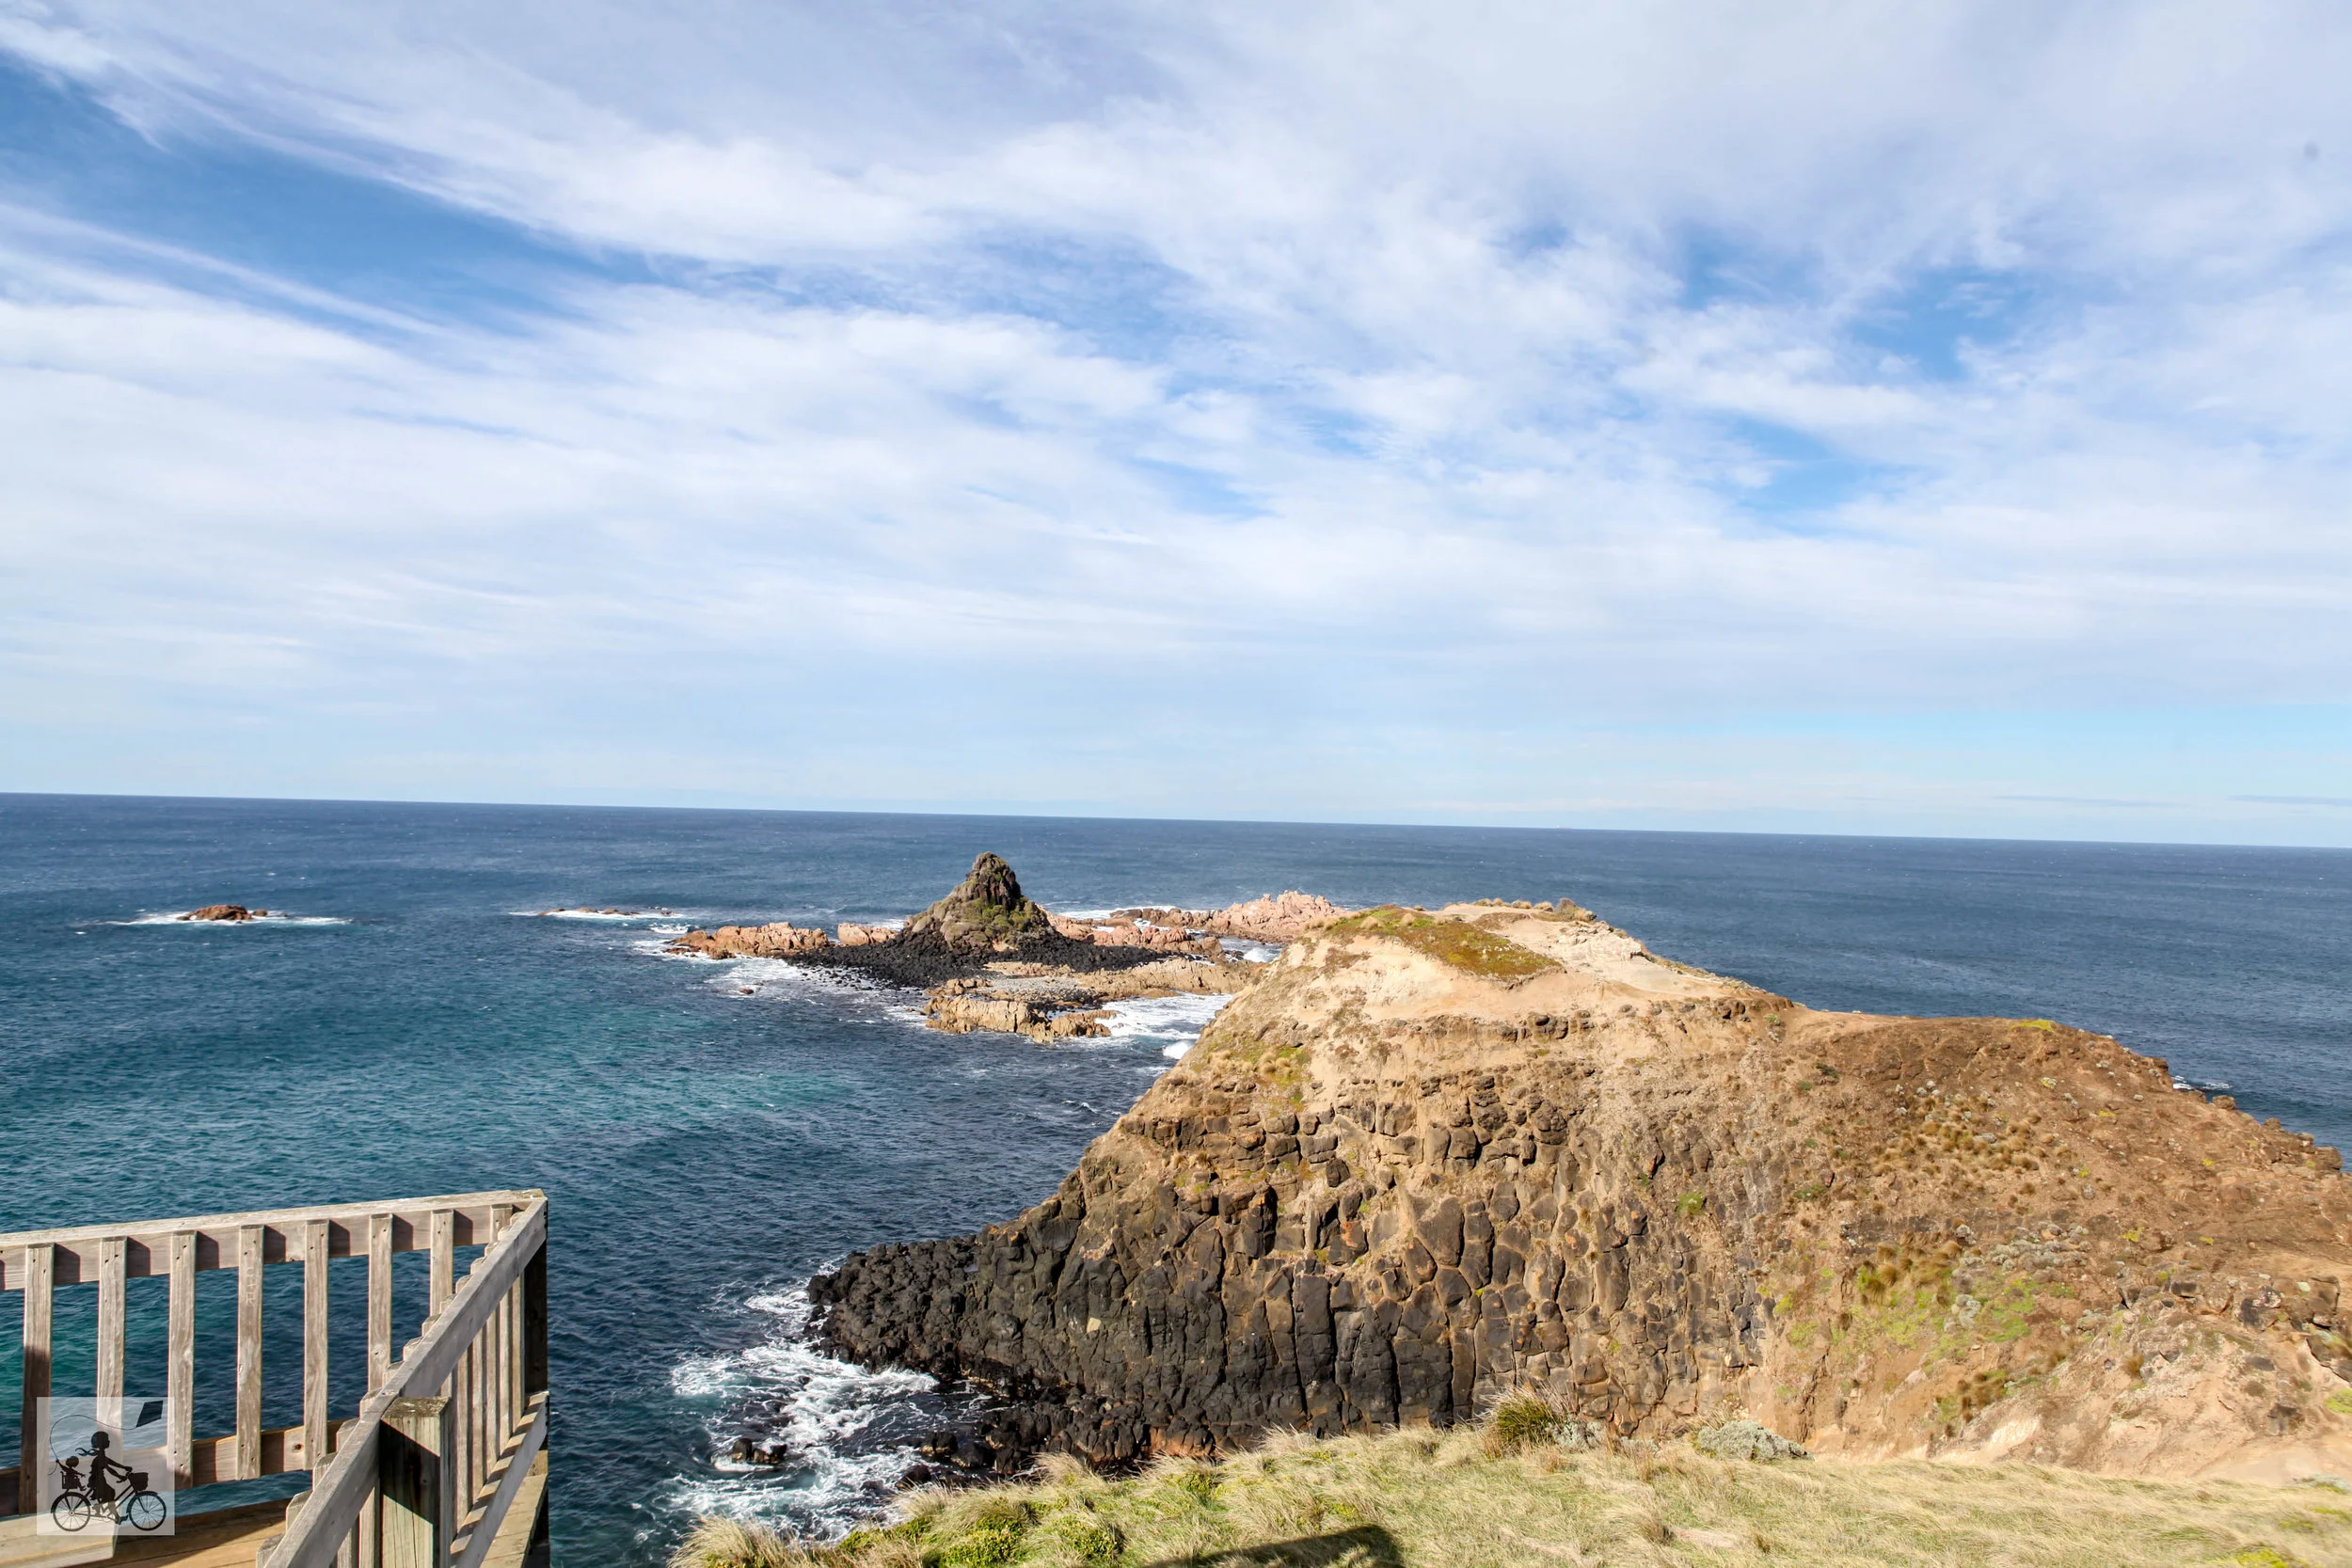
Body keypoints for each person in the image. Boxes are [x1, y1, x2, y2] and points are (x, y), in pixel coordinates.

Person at [80, 1432, 135, 1506]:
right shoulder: (101, 1455)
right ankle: (99, 1508)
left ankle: (106, 1511)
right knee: (110, 1493)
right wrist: (119, 1476)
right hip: (97, 1480)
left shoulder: (101, 1453)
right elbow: (109, 1469)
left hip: (99, 1479)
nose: (109, 1441)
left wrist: (124, 1467)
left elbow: (111, 1462)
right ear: (102, 1442)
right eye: (107, 1440)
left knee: (110, 1493)